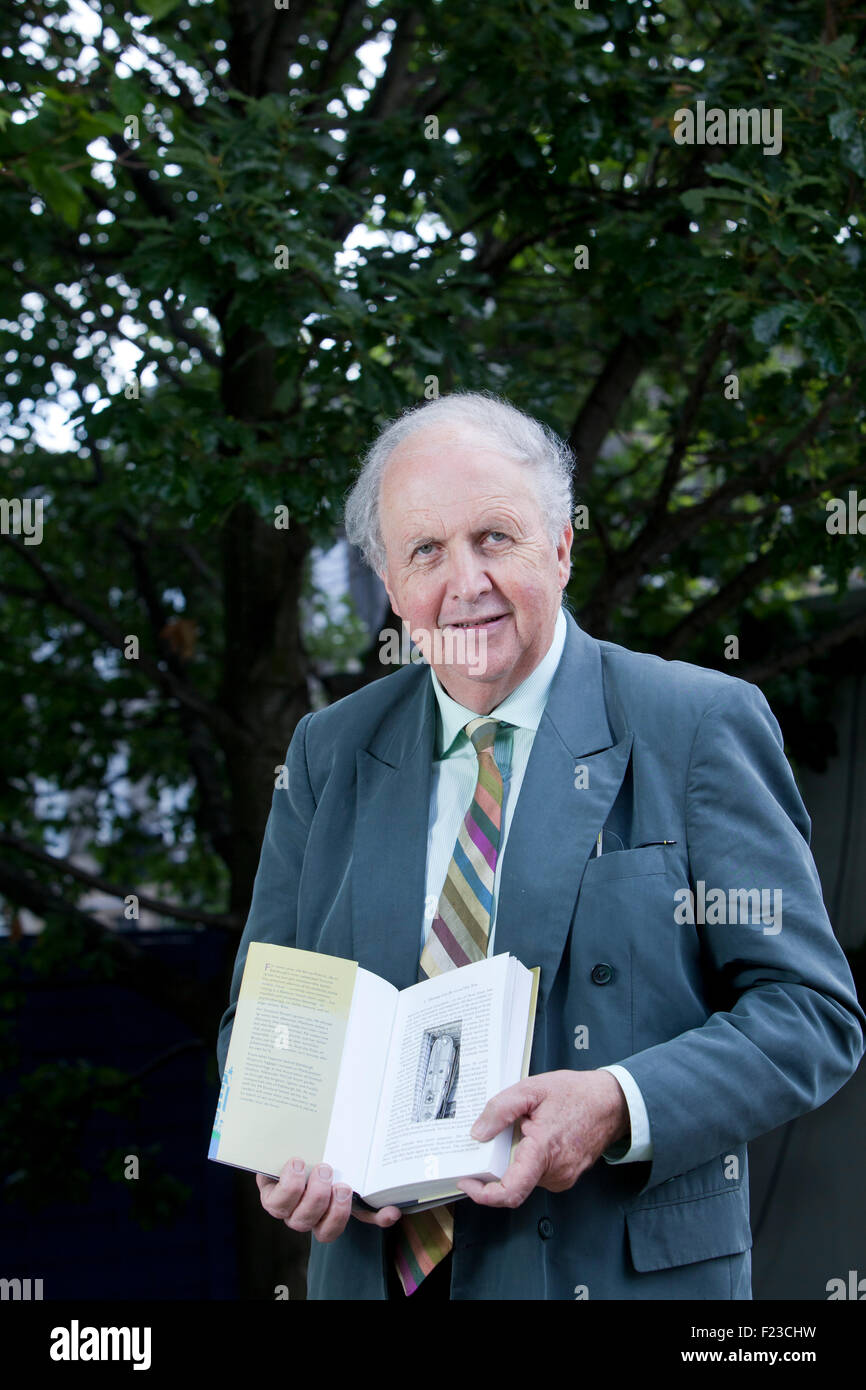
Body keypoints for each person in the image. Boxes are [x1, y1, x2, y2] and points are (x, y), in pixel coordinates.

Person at [215, 391, 865, 1300]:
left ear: (562, 548)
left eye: (495, 538)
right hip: (374, 1275)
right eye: (426, 551)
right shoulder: (331, 752)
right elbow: (268, 1010)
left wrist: (616, 1104)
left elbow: (810, 1013)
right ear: (394, 585)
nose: (465, 582)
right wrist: (284, 1138)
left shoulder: (695, 724)